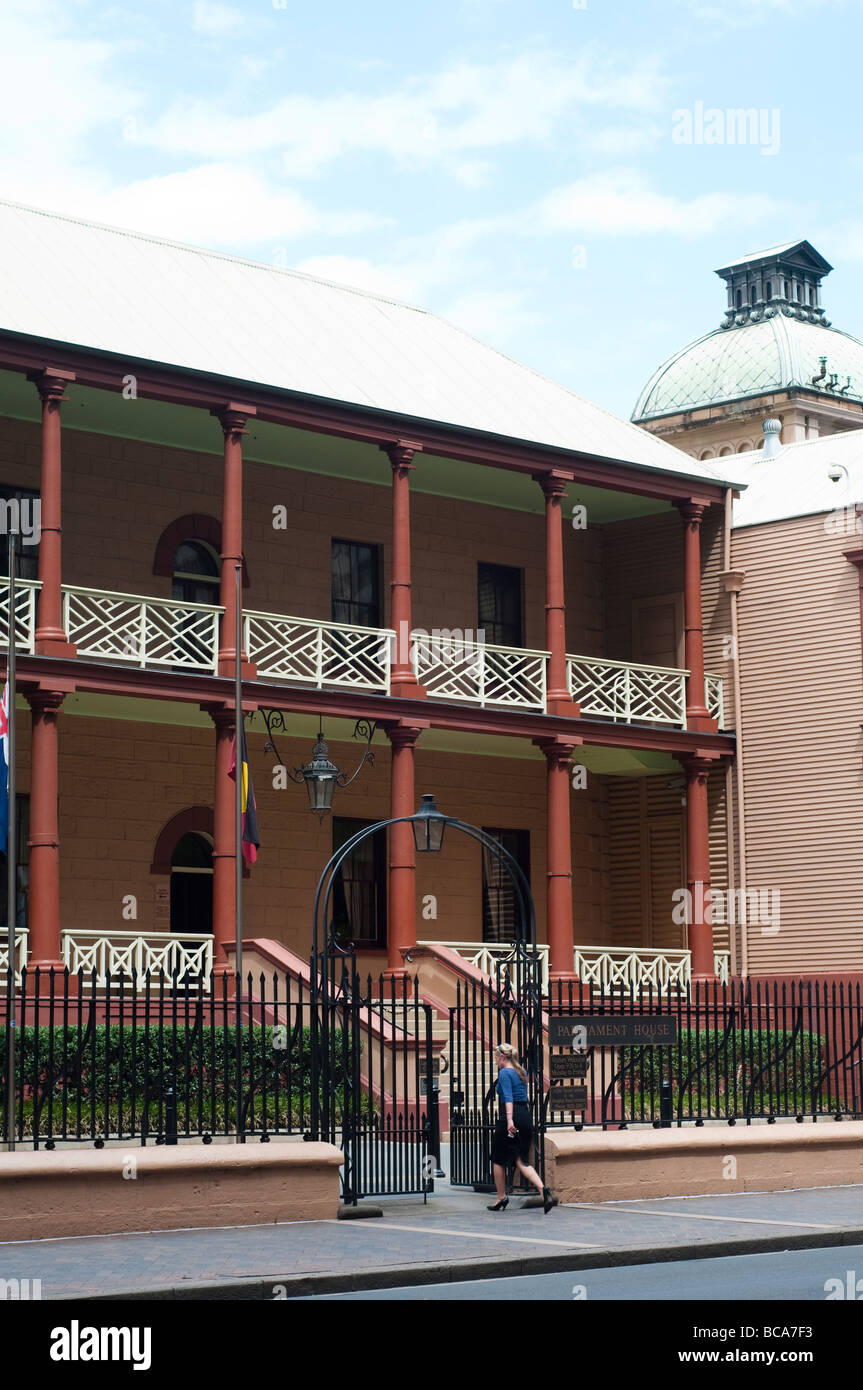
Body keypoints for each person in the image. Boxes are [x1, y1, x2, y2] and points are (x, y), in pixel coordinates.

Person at [487, 1041, 554, 1214]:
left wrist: (509, 1121)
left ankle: (501, 1197)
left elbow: (508, 1098)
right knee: (520, 1159)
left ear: (502, 1057)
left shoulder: (505, 1073)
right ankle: (543, 1190)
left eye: (496, 1057)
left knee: (497, 1158)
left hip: (510, 1117)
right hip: (525, 1115)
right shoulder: (521, 1071)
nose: (495, 1060)